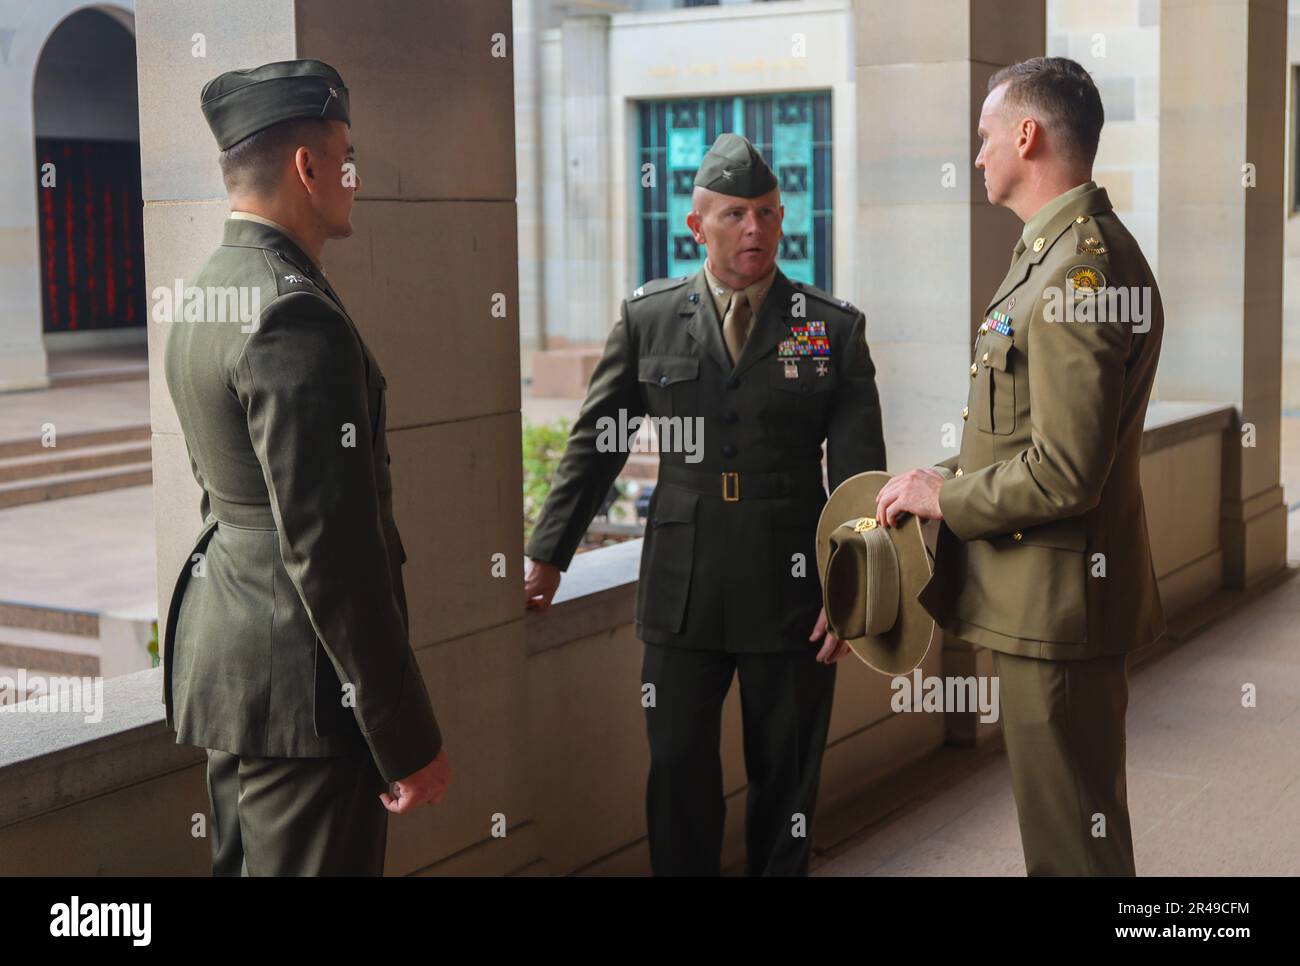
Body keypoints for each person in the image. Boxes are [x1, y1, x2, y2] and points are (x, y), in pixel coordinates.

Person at [524, 133, 886, 875]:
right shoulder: (647, 318)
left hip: (792, 591)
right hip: (680, 592)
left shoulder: (829, 328)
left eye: (766, 213)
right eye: (733, 215)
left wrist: (854, 590)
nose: (754, 229)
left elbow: (858, 477)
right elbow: (600, 443)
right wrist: (547, 553)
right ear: (697, 226)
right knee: (679, 779)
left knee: (786, 783)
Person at [875, 57, 1165, 876]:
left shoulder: (1078, 271)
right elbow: (1023, 432)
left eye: (984, 136)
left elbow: (1068, 470)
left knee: (1072, 842)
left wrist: (949, 497)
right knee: (1076, 826)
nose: (977, 156)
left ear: (1027, 136)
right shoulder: (1064, 252)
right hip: (1053, 598)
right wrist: (932, 480)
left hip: (1058, 605)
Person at [162, 59, 449, 876]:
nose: (355, 177)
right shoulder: (293, 312)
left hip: (235, 668)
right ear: (307, 166)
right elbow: (333, 548)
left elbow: (223, 485)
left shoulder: (210, 291)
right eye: (347, 156)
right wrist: (404, 735)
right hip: (307, 689)